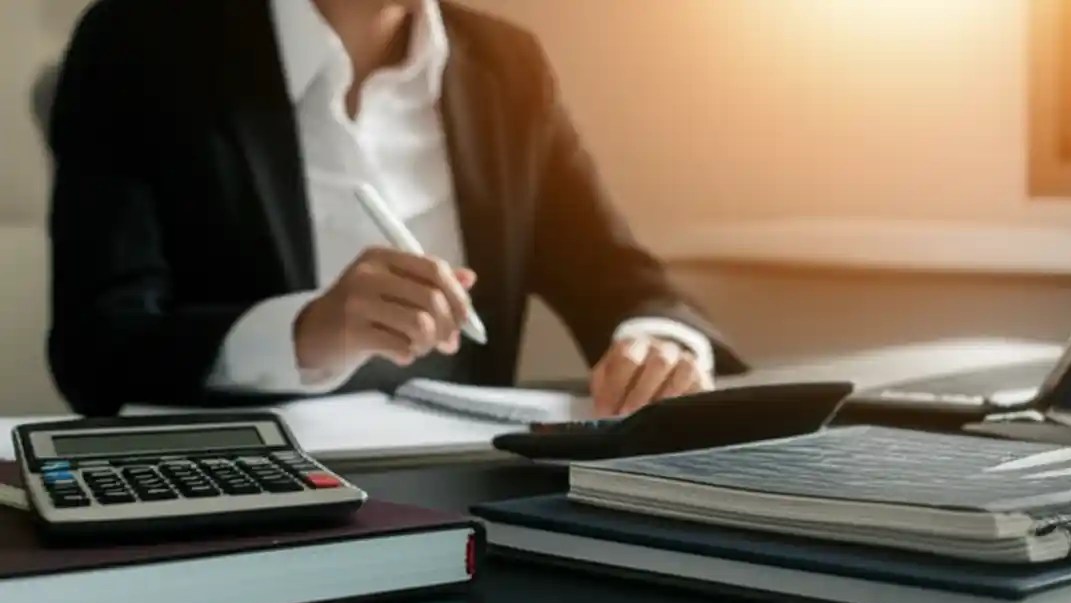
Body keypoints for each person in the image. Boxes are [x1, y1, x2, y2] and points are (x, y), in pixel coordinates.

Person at [46, 0, 745, 417]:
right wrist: (305, 333)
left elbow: (617, 277)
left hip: (476, 506)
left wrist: (663, 348)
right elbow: (95, 348)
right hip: (247, 508)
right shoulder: (139, 43)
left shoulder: (506, 66)